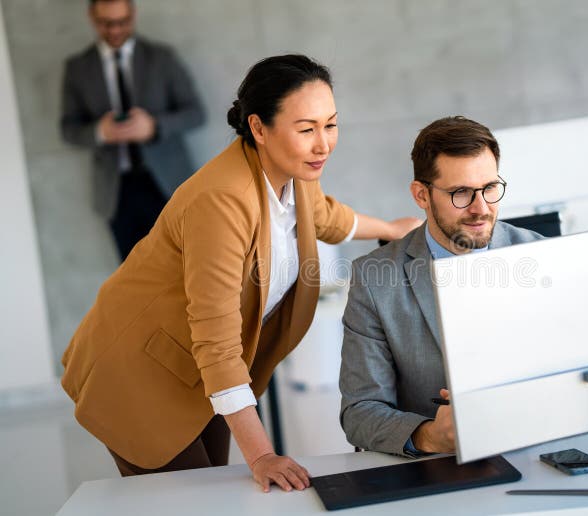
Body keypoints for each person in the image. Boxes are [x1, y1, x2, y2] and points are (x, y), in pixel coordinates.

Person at [61, 54, 421, 492]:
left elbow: (321, 215)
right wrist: (263, 454)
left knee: (218, 492)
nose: (323, 143)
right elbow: (216, 339)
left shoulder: (294, 171)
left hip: (199, 372)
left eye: (330, 124)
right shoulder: (221, 200)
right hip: (141, 372)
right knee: (196, 500)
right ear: (258, 128)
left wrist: (390, 228)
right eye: (306, 129)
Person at [339, 116, 544, 456]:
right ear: (421, 194)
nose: (481, 209)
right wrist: (430, 435)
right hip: (441, 468)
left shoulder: (542, 255)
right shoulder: (374, 281)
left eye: (490, 188)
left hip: (536, 450)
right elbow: (359, 413)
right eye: (461, 192)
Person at [60, 0, 205, 260]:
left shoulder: (162, 58)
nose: (115, 30)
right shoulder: (77, 68)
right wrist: (99, 132)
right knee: (135, 280)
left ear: (133, 15)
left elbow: (196, 113)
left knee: (189, 265)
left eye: (122, 22)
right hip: (116, 191)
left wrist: (155, 127)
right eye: (106, 24)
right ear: (92, 18)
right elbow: (68, 129)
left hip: (168, 183)